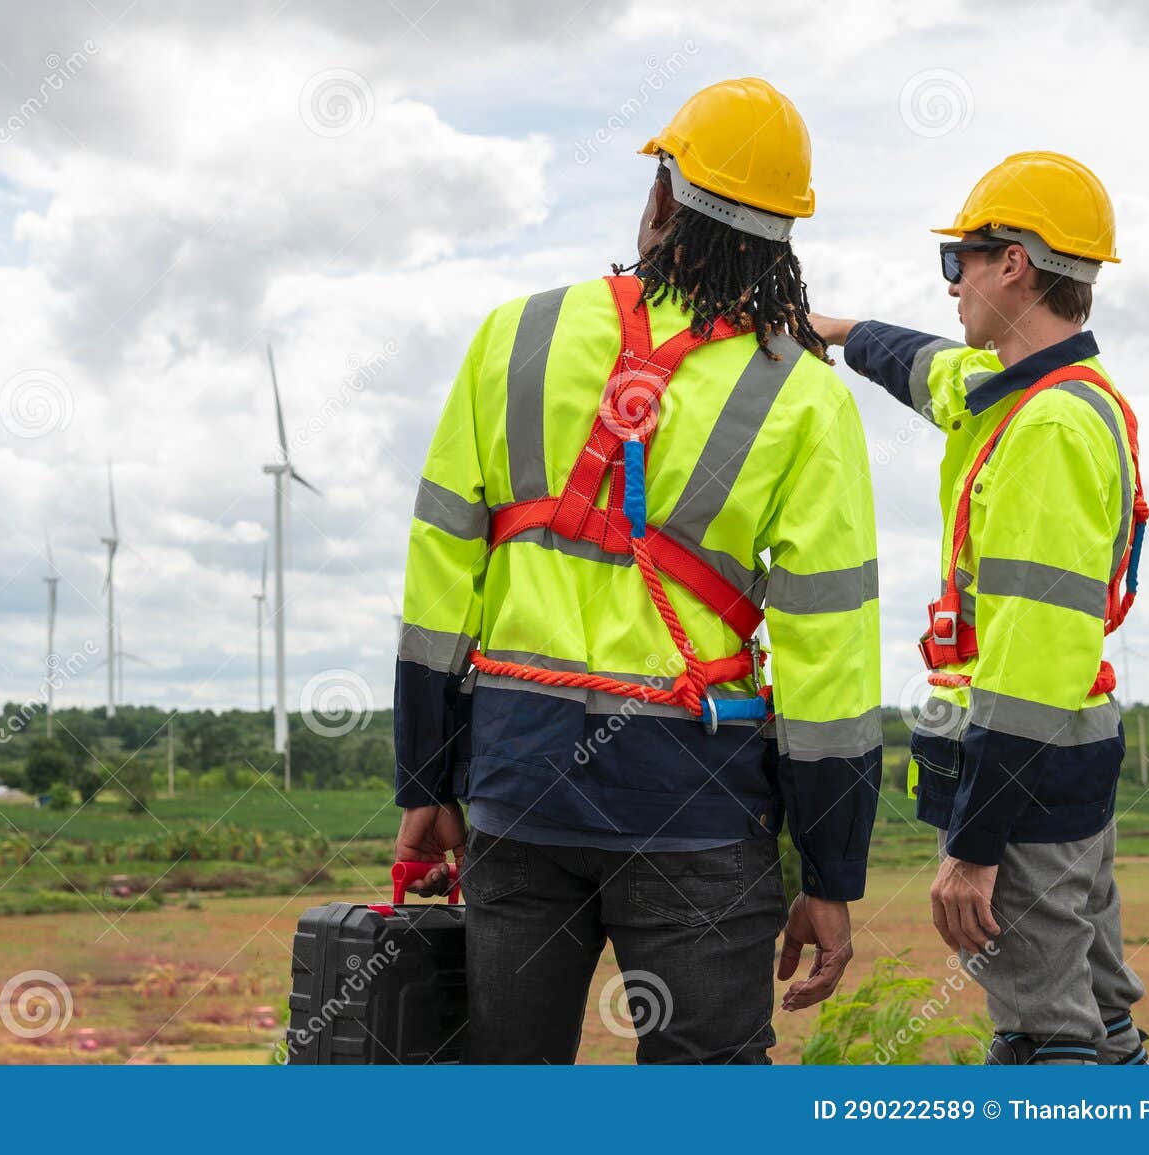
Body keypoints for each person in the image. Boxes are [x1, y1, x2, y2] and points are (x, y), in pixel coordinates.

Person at [393, 78, 882, 1064]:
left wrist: (423, 778)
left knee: (505, 1086)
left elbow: (439, 576)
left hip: (515, 781)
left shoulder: (511, 335)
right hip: (692, 806)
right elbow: (830, 659)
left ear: (662, 197)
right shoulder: (806, 402)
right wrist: (829, 873)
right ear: (783, 237)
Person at [810, 151, 1149, 1065]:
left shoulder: (1046, 429)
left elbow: (1034, 660)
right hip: (1064, 769)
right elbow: (925, 366)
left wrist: (976, 843)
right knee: (1101, 1019)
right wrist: (833, 330)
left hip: (1026, 791)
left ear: (1015, 264)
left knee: (1045, 1039)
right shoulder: (1024, 393)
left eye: (957, 260)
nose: (951, 284)